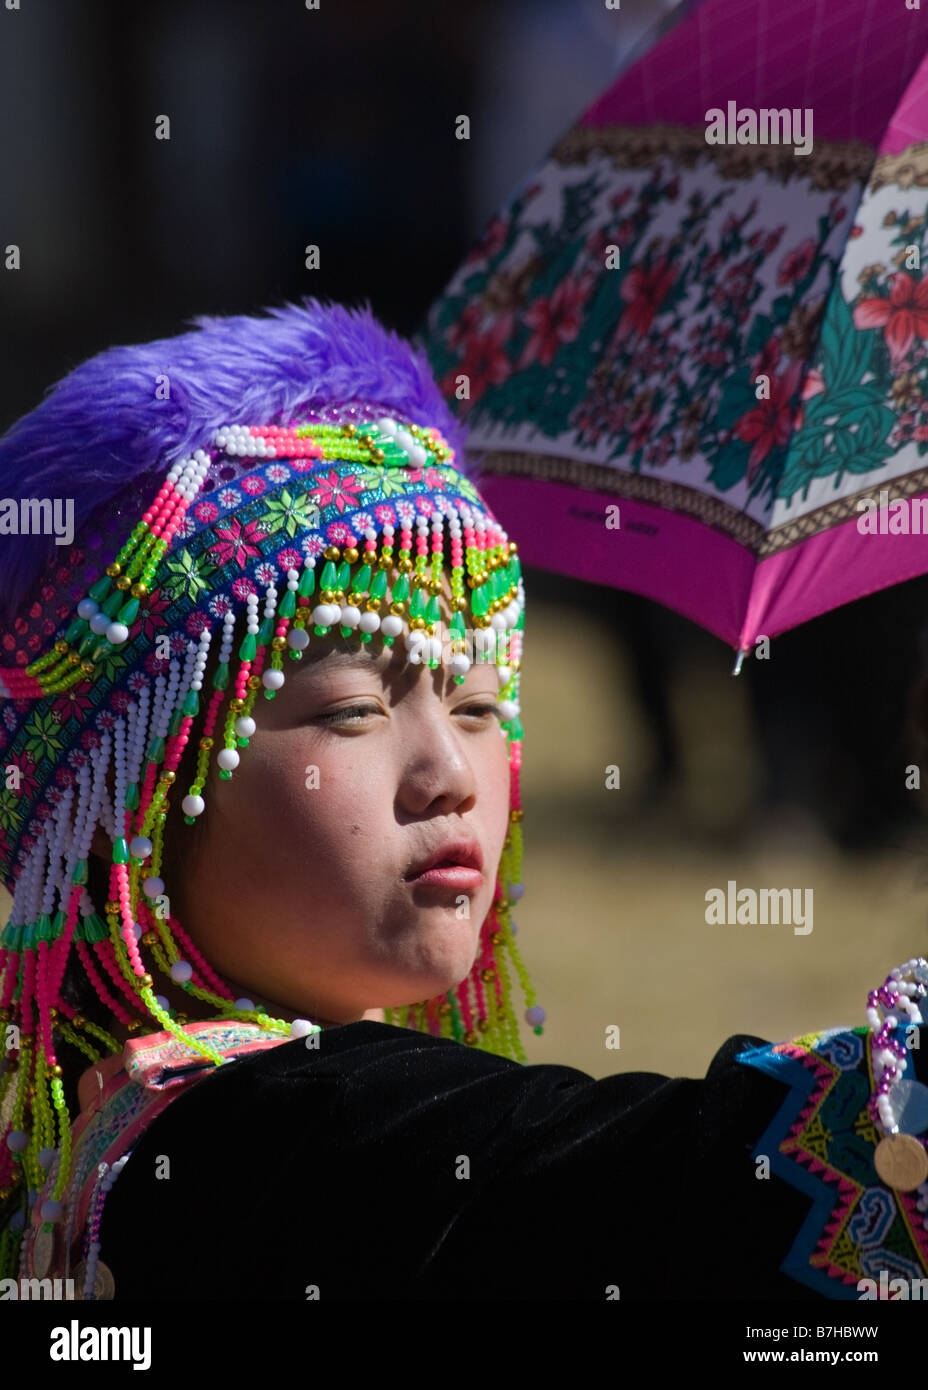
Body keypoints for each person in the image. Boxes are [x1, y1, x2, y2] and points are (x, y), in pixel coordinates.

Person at [1, 298, 927, 1302]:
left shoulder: (132, 1146)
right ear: (135, 792)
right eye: (354, 709)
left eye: (482, 704)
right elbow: (706, 1188)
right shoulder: (263, 1141)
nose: (451, 770)